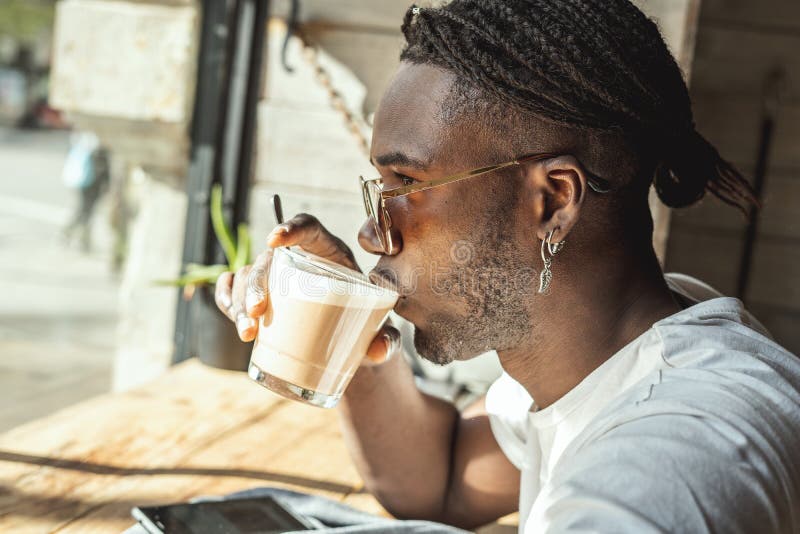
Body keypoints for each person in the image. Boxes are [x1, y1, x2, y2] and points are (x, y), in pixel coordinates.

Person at [216, 1, 800, 531]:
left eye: (409, 183)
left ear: (552, 201)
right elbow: (440, 476)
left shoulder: (671, 459)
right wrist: (345, 328)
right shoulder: (629, 339)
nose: (372, 233)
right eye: (380, 188)